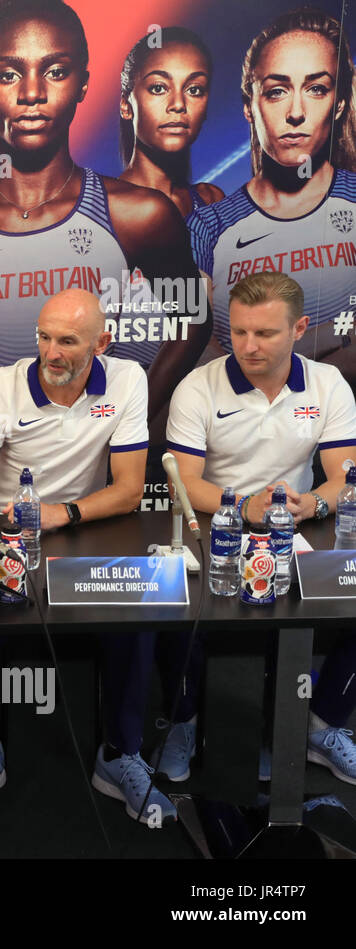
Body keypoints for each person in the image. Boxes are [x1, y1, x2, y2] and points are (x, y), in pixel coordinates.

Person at [0, 0, 207, 454]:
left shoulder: (138, 215)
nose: (32, 93)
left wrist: (131, 414)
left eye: (55, 71)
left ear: (83, 84)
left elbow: (193, 320)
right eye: (9, 74)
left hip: (90, 482)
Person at [0, 288, 170, 822]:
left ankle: (120, 754)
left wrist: (63, 513)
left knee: (138, 608)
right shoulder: (6, 384)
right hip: (3, 533)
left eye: (68, 341)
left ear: (102, 342)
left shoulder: (126, 380)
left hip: (82, 526)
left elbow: (129, 490)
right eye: (45, 338)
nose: (52, 353)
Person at [160, 270, 356, 786]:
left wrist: (311, 502)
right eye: (240, 331)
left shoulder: (327, 383)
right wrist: (243, 505)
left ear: (300, 329)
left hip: (294, 525)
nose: (249, 346)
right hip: (213, 528)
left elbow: (346, 479)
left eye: (265, 333)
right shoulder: (197, 387)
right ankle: (183, 722)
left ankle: (322, 723)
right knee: (177, 615)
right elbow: (186, 484)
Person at [188, 8, 356, 388]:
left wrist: (263, 360)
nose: (296, 112)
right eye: (277, 91)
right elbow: (195, 351)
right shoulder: (206, 228)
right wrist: (331, 338)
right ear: (250, 106)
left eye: (316, 88)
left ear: (340, 103)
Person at [118, 27, 223, 222]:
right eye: (158, 88)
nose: (178, 105)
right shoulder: (104, 208)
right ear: (126, 105)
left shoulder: (212, 201)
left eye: (194, 90)